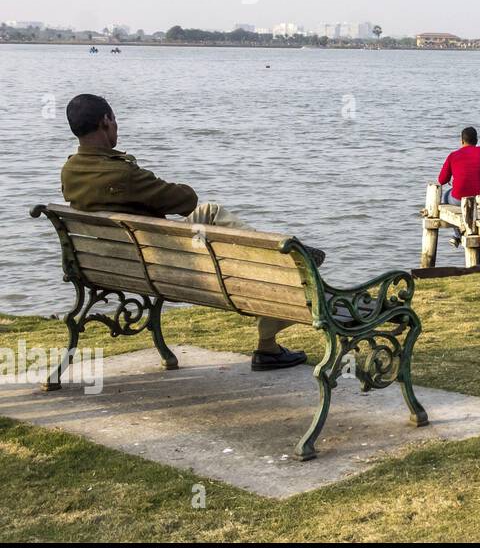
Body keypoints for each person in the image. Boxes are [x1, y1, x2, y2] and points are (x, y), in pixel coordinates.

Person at [59, 94, 315, 371]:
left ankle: (277, 260)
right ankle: (281, 255)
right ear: (106, 121)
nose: (117, 125)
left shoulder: (70, 170)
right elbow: (186, 201)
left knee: (212, 226)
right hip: (159, 262)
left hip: (112, 264)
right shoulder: (124, 174)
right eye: (115, 119)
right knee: (211, 212)